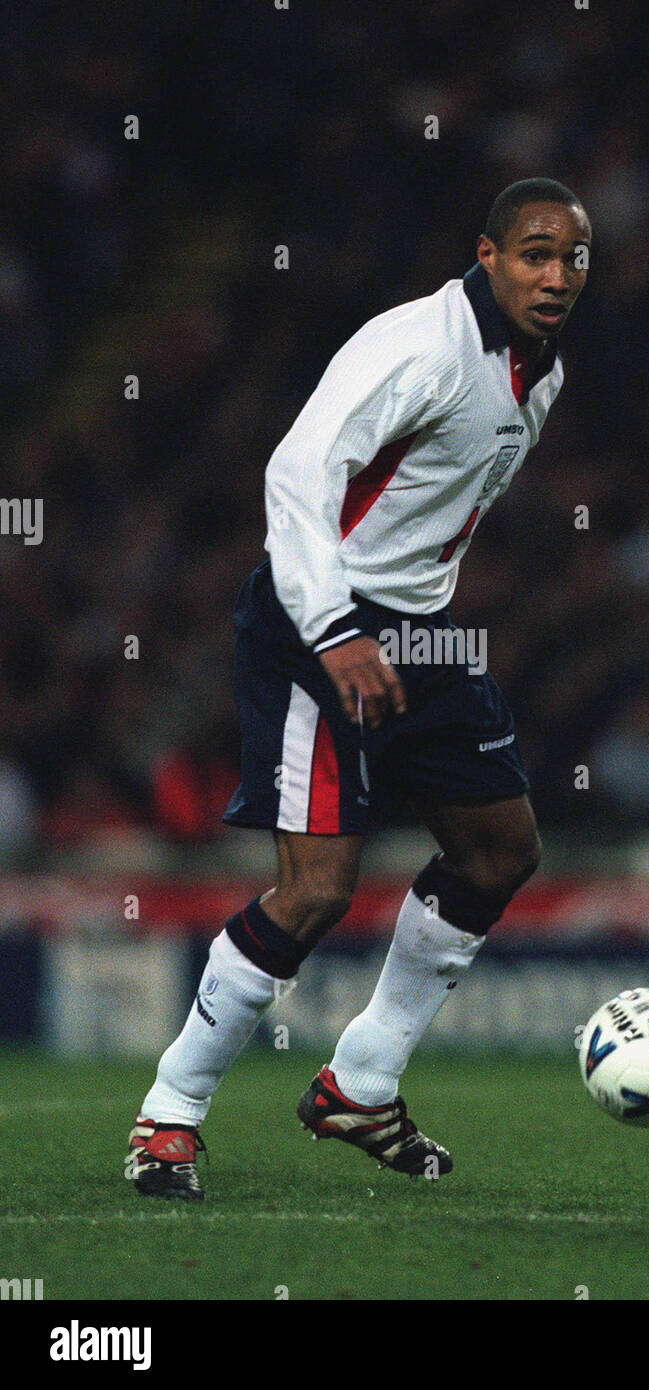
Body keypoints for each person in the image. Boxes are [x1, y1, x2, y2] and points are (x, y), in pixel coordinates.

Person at [127, 178, 591, 1197]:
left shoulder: (538, 373)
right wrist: (336, 628)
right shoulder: (418, 348)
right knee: (316, 890)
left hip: (421, 638)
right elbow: (297, 475)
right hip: (318, 630)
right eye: (534, 254)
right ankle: (169, 1112)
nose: (555, 276)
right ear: (486, 254)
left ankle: (360, 1083)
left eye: (571, 260)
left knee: (499, 850)